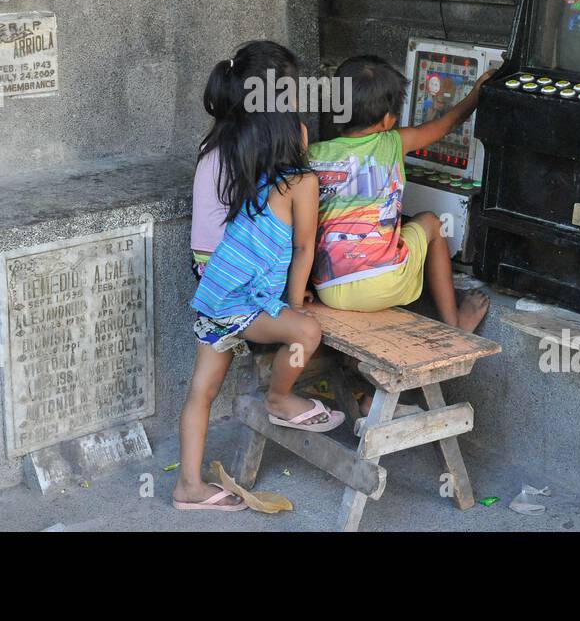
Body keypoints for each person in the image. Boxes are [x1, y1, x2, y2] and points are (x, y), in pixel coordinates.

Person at [174, 41, 344, 513]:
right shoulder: (276, 165)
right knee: (306, 329)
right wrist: (291, 304)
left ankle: (188, 484)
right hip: (239, 293)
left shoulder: (222, 142)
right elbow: (297, 242)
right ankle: (280, 398)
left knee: (201, 389)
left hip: (212, 284)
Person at [308, 55, 493, 333]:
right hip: (386, 282)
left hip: (330, 289)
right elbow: (446, 125)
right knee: (430, 221)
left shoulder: (313, 155)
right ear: (386, 120)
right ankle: (455, 323)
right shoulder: (394, 142)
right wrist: (476, 94)